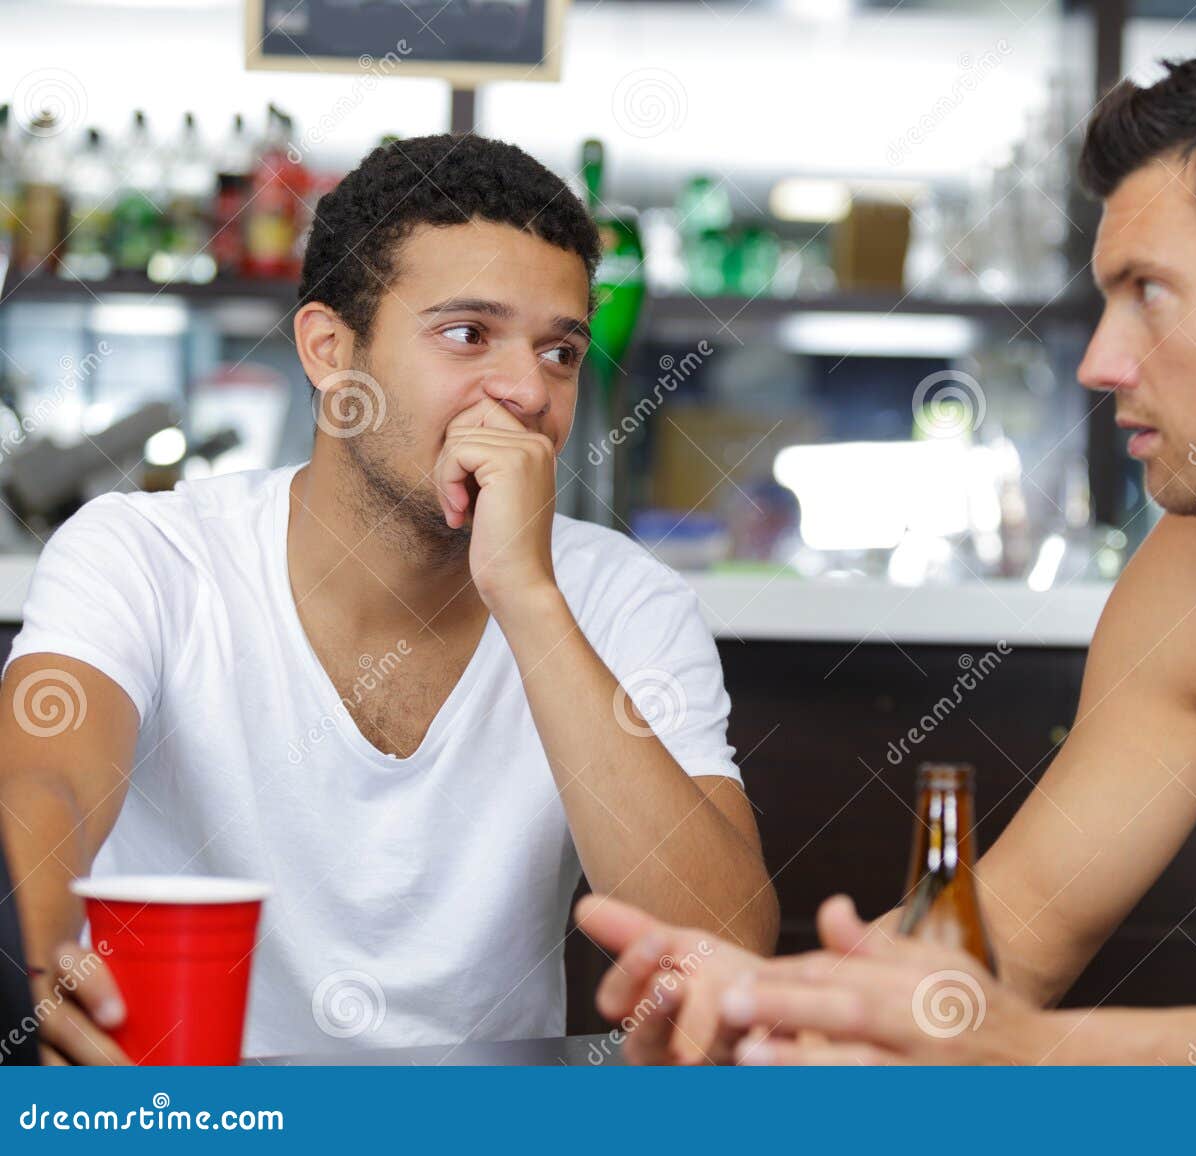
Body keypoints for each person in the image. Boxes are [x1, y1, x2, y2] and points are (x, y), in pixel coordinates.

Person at [578, 38, 1196, 1065]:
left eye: (1148, 291)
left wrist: (1039, 1052)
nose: (1102, 363)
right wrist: (770, 1014)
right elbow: (1006, 939)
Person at [0, 134, 776, 1063]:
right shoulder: (146, 553)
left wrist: (526, 596)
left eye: (560, 351)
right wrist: (44, 955)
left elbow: (723, 949)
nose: (528, 391)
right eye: (467, 334)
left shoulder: (623, 599)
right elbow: (43, 780)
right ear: (330, 350)